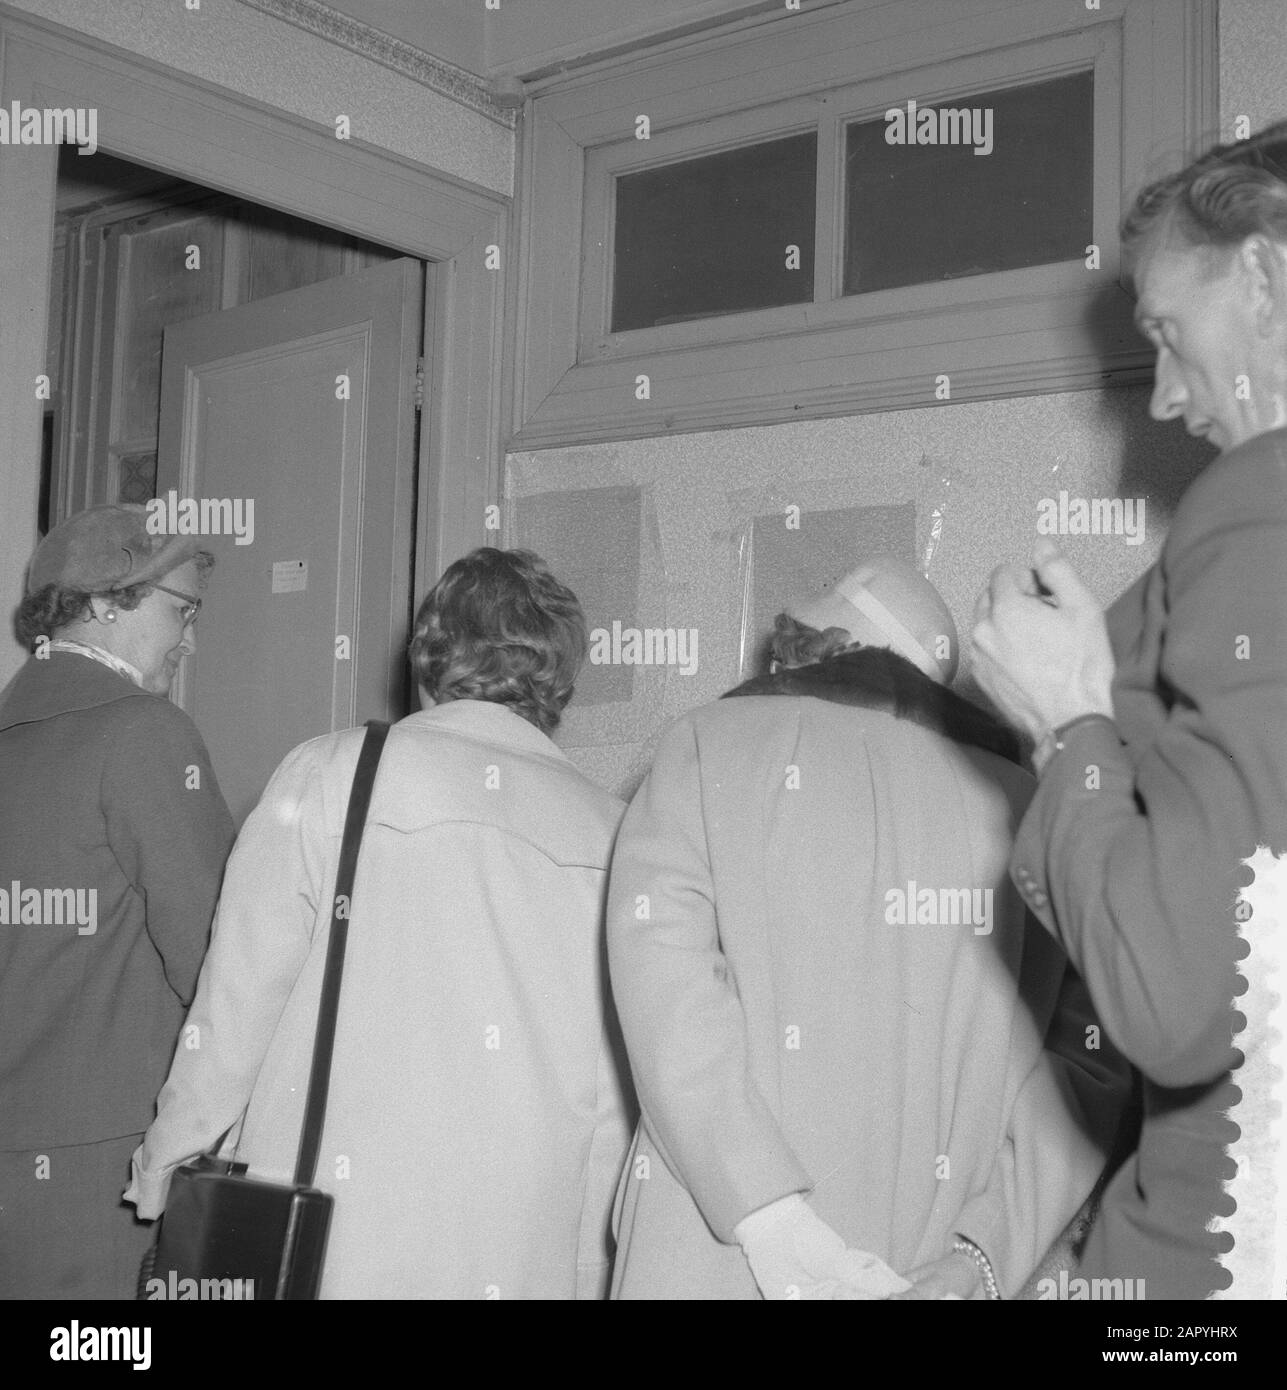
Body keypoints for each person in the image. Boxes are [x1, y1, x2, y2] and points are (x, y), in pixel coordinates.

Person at [607, 556, 1129, 1300]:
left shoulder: (705, 744)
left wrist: (769, 1216)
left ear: (831, 645)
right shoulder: (1034, 813)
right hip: (922, 1274)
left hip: (705, 1263)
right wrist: (981, 1259)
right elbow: (1089, 1064)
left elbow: (665, 995)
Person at [125, 547, 633, 1299]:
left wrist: (166, 1158)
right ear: (559, 677)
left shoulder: (333, 774)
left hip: (335, 1227)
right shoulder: (614, 831)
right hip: (516, 1240)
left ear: (427, 653)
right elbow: (611, 1099)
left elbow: (235, 1005)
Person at [970, 120, 1287, 1299]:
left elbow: (1175, 993)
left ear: (1260, 272)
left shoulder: (1259, 500)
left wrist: (1066, 721)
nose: (1157, 395)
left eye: (1164, 332)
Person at [0, 504, 234, 1299]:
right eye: (181, 610)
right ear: (105, 602)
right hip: (103, 1166)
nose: (191, 639)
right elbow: (219, 961)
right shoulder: (144, 733)